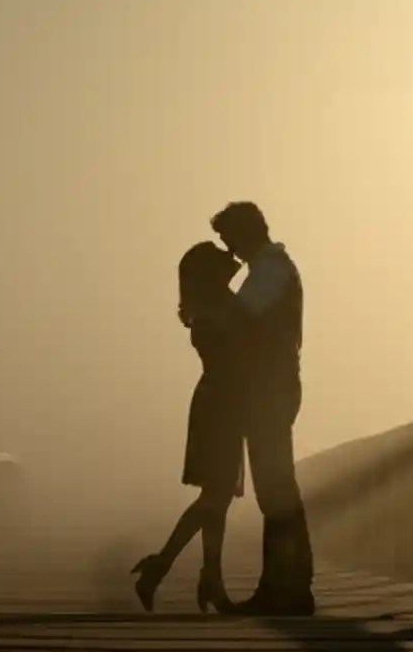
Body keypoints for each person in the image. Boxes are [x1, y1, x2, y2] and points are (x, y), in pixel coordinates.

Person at [209, 201, 315, 617]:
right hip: (272, 388)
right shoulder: (271, 268)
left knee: (276, 492)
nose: (230, 250)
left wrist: (207, 307)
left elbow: (240, 319)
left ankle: (285, 589)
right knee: (277, 490)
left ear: (246, 231)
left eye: (230, 239)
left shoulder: (269, 271)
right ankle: (287, 586)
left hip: (268, 391)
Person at [130, 242, 247, 614]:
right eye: (221, 260)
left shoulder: (214, 308)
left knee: (217, 498)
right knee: (216, 496)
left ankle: (207, 576)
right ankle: (167, 567)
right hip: (220, 406)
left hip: (220, 402)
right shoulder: (216, 312)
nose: (230, 261)